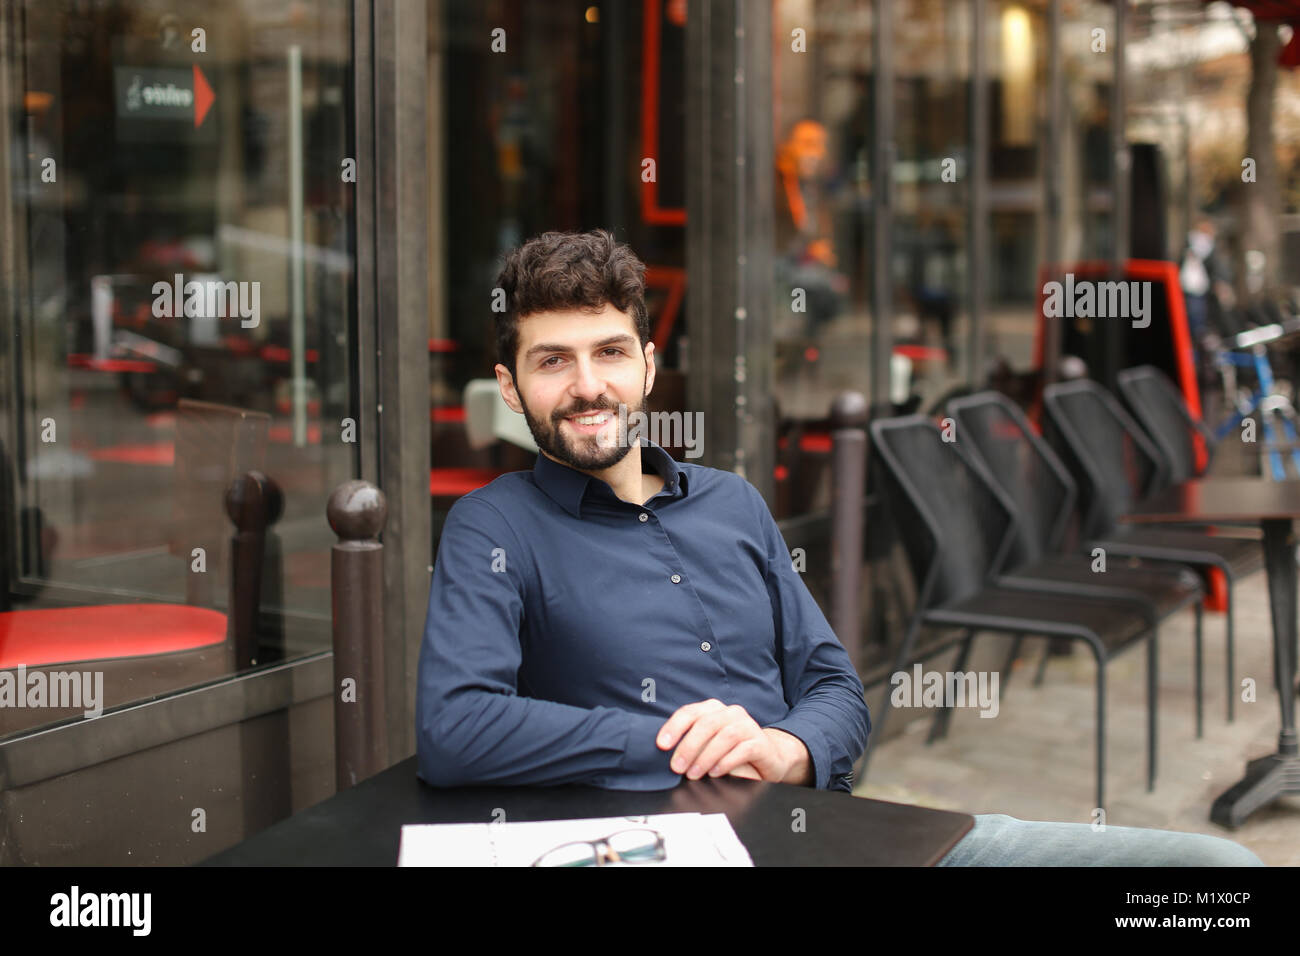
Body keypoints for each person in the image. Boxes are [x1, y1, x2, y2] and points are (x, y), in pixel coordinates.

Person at [416, 229, 1263, 866]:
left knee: (1212, 879)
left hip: (842, 832)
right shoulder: (496, 527)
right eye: (552, 361)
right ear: (509, 386)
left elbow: (834, 687)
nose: (586, 385)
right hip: (668, 845)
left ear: (645, 364)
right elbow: (456, 730)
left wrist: (789, 749)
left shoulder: (731, 502)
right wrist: (672, 738)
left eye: (607, 352)